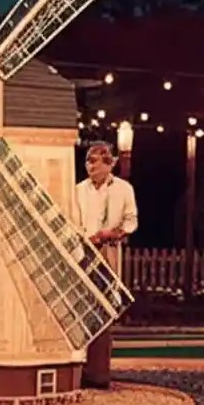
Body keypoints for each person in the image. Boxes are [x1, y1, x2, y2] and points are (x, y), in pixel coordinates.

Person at [72, 141, 138, 388]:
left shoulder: (123, 189)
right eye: (87, 161)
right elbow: (72, 218)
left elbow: (131, 220)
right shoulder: (79, 190)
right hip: (83, 252)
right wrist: (85, 237)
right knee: (82, 308)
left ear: (109, 163)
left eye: (95, 161)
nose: (90, 166)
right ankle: (82, 369)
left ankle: (100, 372)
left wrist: (113, 233)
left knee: (104, 308)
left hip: (109, 251)